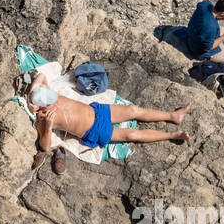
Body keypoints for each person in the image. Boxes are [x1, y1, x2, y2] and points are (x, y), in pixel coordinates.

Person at [23, 73, 190, 173]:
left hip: (97, 110)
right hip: (93, 130)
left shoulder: (46, 94)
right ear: (40, 107)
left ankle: (173, 116)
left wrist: (31, 95)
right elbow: (44, 146)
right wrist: (49, 125)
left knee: (132, 110)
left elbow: (42, 77)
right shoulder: (43, 116)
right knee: (131, 134)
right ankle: (172, 135)